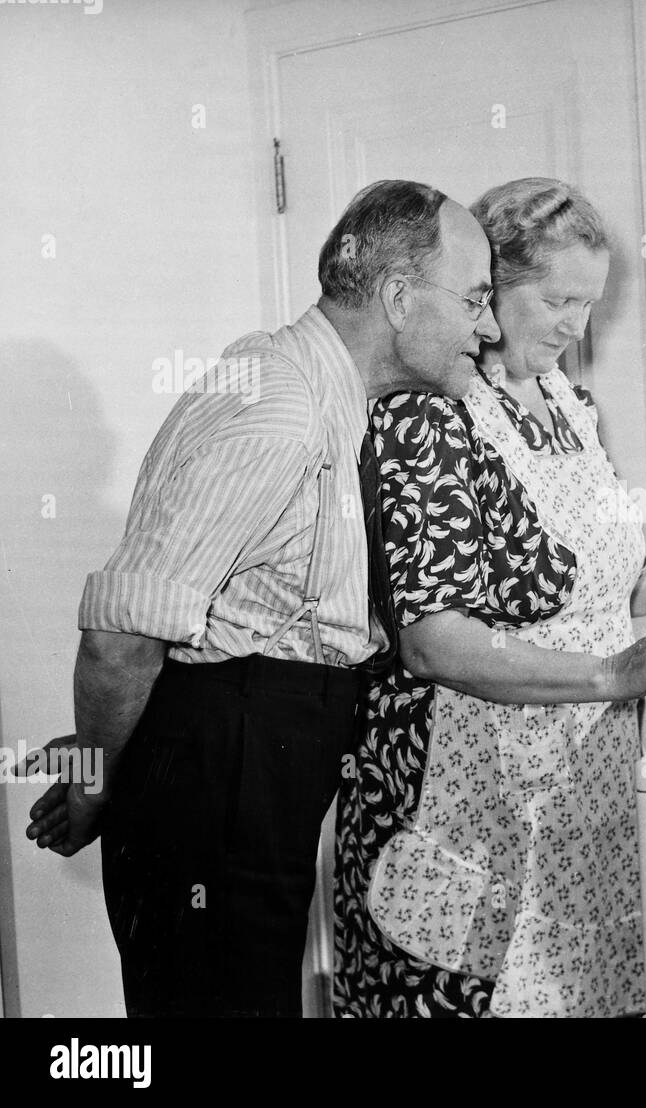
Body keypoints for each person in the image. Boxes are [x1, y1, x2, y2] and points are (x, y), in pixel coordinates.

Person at [24, 180, 500, 1018]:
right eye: (474, 300)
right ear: (397, 296)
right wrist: (99, 781)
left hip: (246, 759)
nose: (487, 328)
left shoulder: (316, 393)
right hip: (224, 776)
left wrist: (117, 754)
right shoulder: (279, 404)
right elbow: (119, 635)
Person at [333, 177, 646, 1018]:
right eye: (558, 299)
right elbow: (435, 640)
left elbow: (607, 590)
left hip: (583, 784)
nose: (577, 326)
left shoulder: (573, 406)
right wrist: (613, 671)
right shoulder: (431, 417)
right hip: (466, 789)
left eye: (591, 303)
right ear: (490, 287)